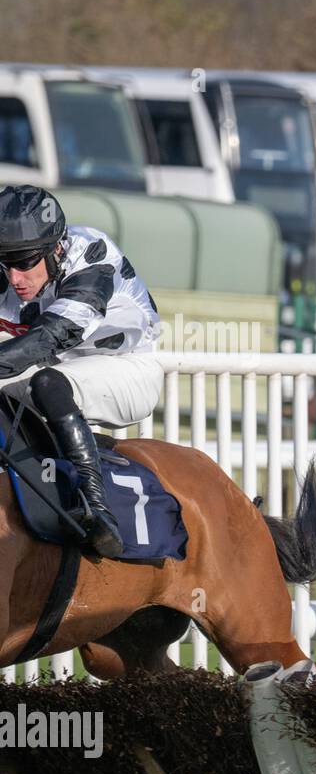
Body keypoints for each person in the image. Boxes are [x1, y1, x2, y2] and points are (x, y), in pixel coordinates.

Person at [0, 184, 165, 556]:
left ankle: (96, 507)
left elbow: (50, 338)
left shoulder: (92, 253)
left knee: (48, 382)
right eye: (6, 263)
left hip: (128, 370)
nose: (14, 278)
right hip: (60, 366)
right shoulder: (13, 268)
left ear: (56, 248)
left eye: (26, 262)